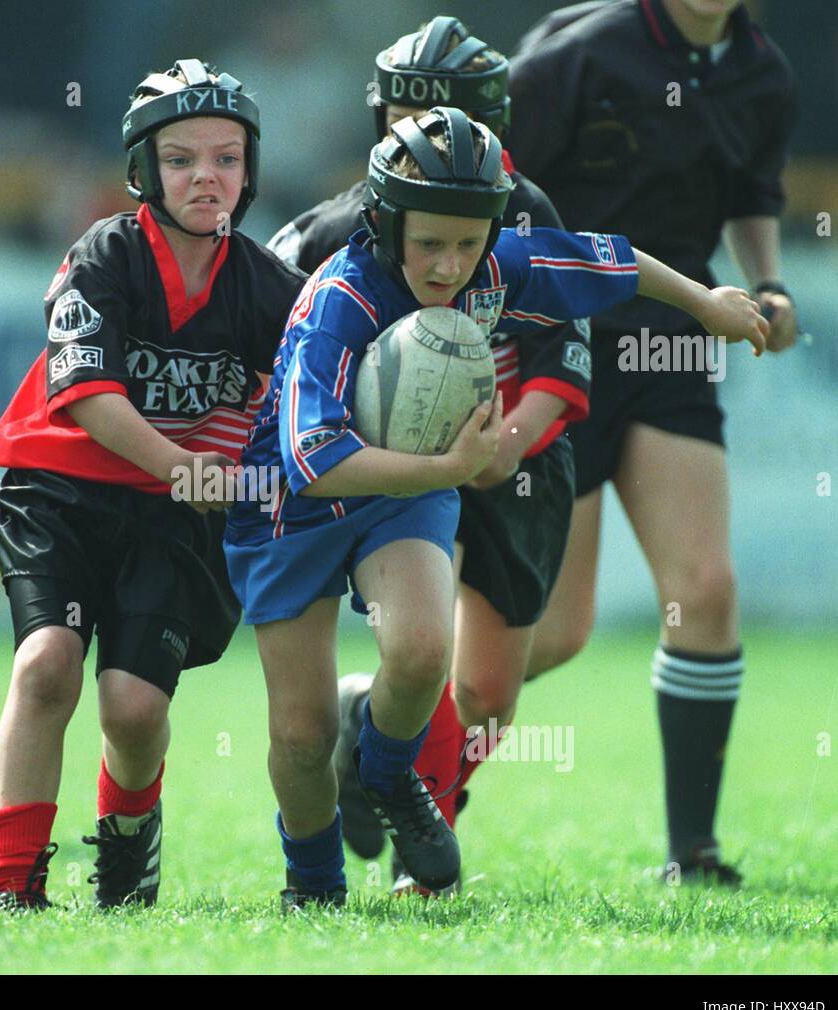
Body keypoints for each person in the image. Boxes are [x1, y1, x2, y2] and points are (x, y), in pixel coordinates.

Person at [224, 106, 766, 907]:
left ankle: (386, 774)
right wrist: (448, 464)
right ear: (385, 223)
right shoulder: (341, 298)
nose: (449, 265)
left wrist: (706, 305)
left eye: (468, 243)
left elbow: (611, 260)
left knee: (417, 652)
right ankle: (313, 887)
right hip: (296, 504)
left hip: (401, 493)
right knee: (301, 735)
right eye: (430, 243)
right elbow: (316, 458)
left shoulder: (494, 267)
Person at [269, 15, 594, 895]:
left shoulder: (525, 217)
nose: (421, 136)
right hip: (401, 475)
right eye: (402, 113)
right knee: (433, 650)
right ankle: (425, 846)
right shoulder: (344, 228)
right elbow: (267, 319)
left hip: (517, 455)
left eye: (446, 113)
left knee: (503, 683)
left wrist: (501, 449)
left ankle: (366, 720)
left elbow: (568, 359)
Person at [0, 60, 305, 910]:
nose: (207, 176)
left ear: (251, 170)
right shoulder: (105, 252)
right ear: (142, 172)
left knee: (131, 709)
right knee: (47, 663)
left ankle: (129, 840)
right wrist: (186, 465)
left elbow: (319, 402)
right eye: (181, 157)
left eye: (228, 158)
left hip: (171, 515)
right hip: (58, 490)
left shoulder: (273, 290)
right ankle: (11, 884)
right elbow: (87, 396)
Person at [507, 0, 799, 885]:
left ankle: (693, 851)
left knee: (705, 592)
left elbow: (753, 194)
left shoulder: (764, 74)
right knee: (551, 632)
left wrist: (772, 283)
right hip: (560, 338)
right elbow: (492, 178)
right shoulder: (581, 53)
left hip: (676, 339)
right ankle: (385, 729)